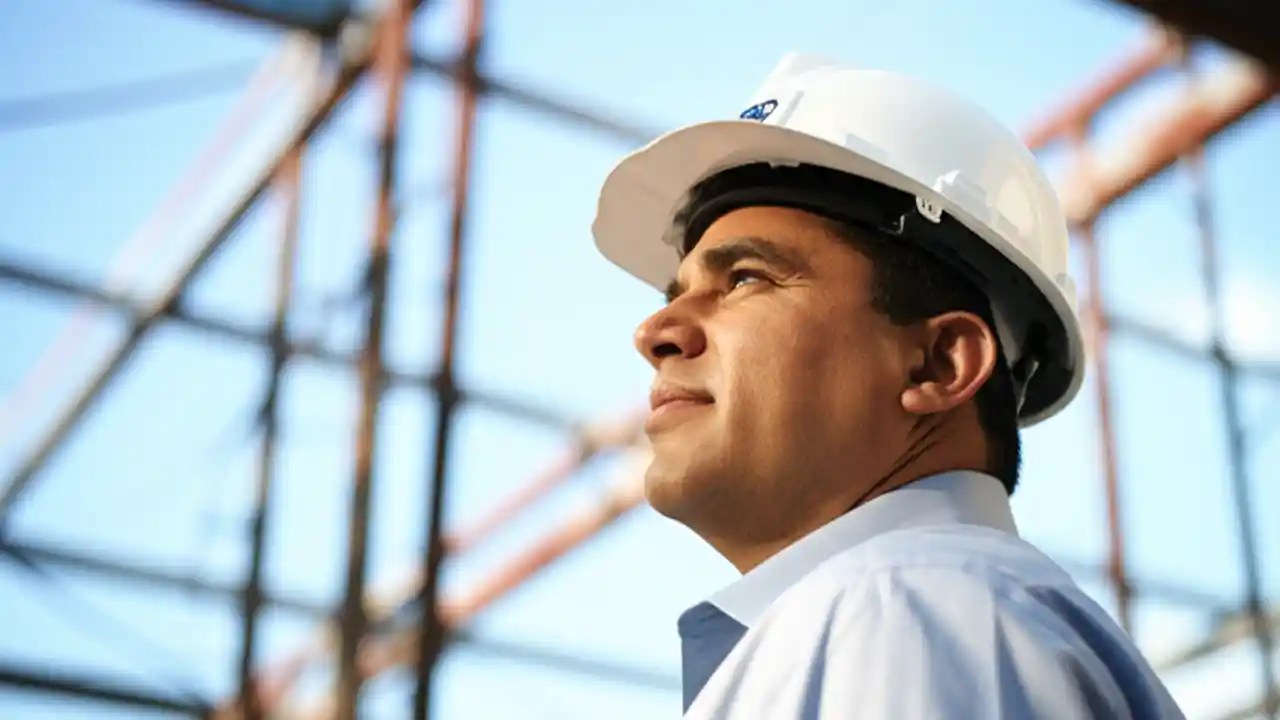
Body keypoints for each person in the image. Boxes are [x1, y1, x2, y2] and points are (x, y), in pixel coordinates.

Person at [590, 53, 1186, 719]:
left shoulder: (901, 609)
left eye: (745, 278)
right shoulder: (914, 614)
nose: (655, 331)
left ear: (938, 365)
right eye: (681, 292)